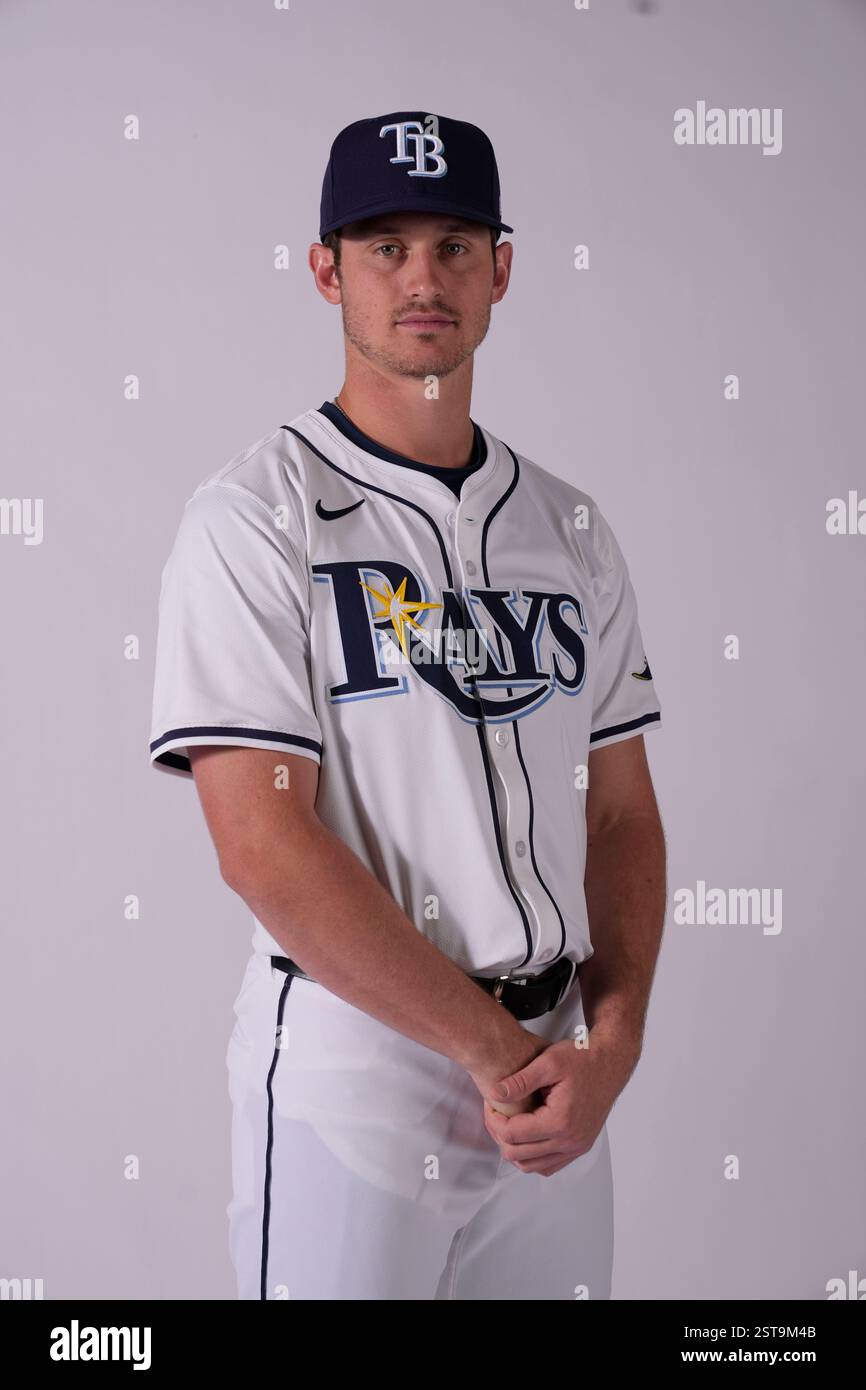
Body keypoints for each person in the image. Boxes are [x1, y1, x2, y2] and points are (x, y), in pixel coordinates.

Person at [149, 110, 667, 1300]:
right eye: (384, 246)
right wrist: (495, 1051)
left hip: (556, 1083)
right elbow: (261, 844)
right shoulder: (253, 516)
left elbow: (619, 815)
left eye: (453, 245)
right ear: (325, 269)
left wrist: (611, 1044)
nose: (421, 278)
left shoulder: (567, 525)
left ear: (500, 269)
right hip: (358, 1070)